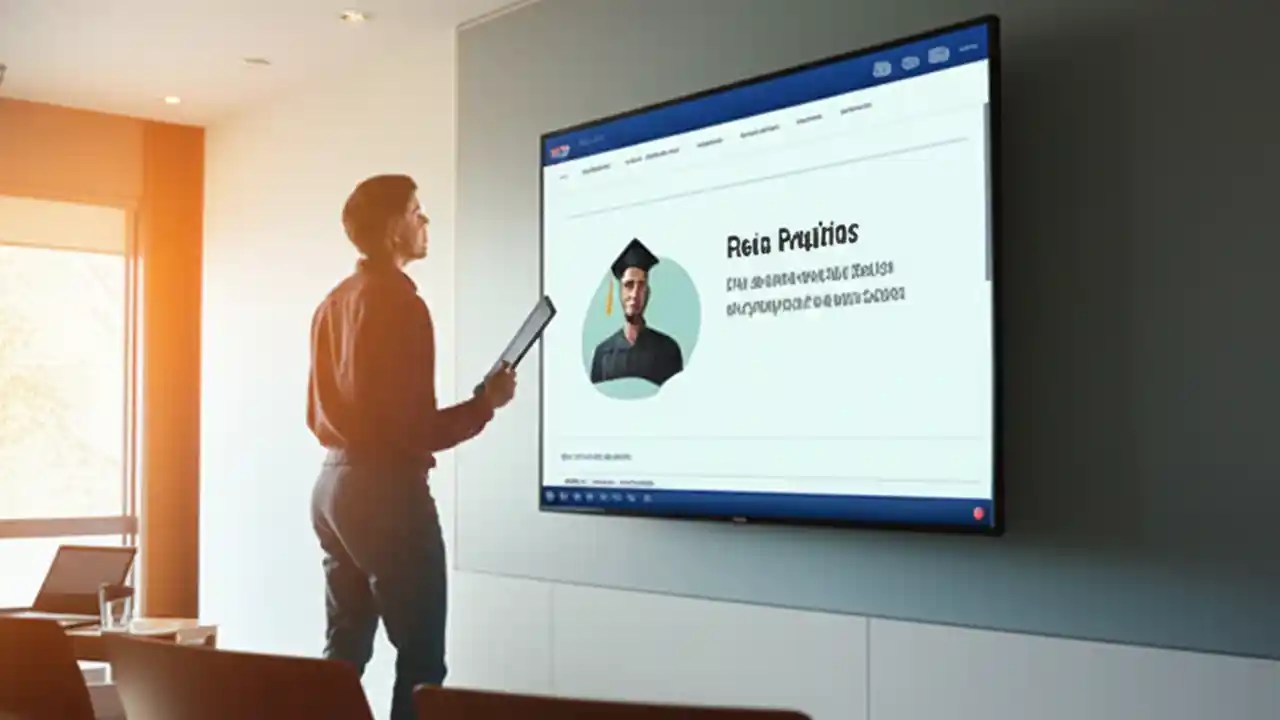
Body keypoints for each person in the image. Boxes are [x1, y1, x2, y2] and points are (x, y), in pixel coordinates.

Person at [306, 174, 516, 720]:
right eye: (417, 211)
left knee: (343, 653)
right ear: (392, 228)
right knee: (422, 661)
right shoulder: (399, 302)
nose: (425, 223)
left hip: (331, 489)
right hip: (387, 496)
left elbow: (316, 414)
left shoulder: (332, 303)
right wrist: (485, 404)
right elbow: (414, 429)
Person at [589, 238, 684, 387]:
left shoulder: (668, 350)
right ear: (619, 292)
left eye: (641, 286)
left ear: (648, 292)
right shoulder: (603, 355)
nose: (634, 294)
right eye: (628, 285)